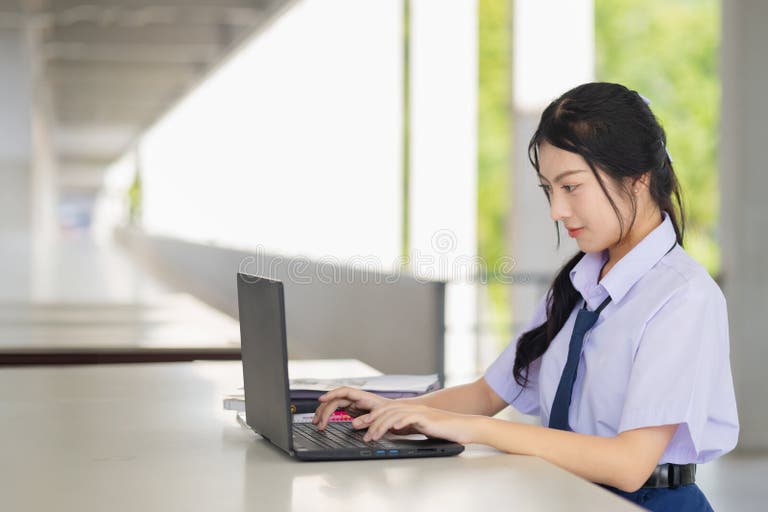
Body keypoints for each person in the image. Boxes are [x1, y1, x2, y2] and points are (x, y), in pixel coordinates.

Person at [312, 82, 738, 511]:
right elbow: (487, 394)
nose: (557, 210)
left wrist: (468, 428)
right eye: (547, 189)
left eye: (570, 187)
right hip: (568, 496)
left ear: (637, 178)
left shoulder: (683, 297)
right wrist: (392, 413)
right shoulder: (580, 281)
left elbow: (629, 463)